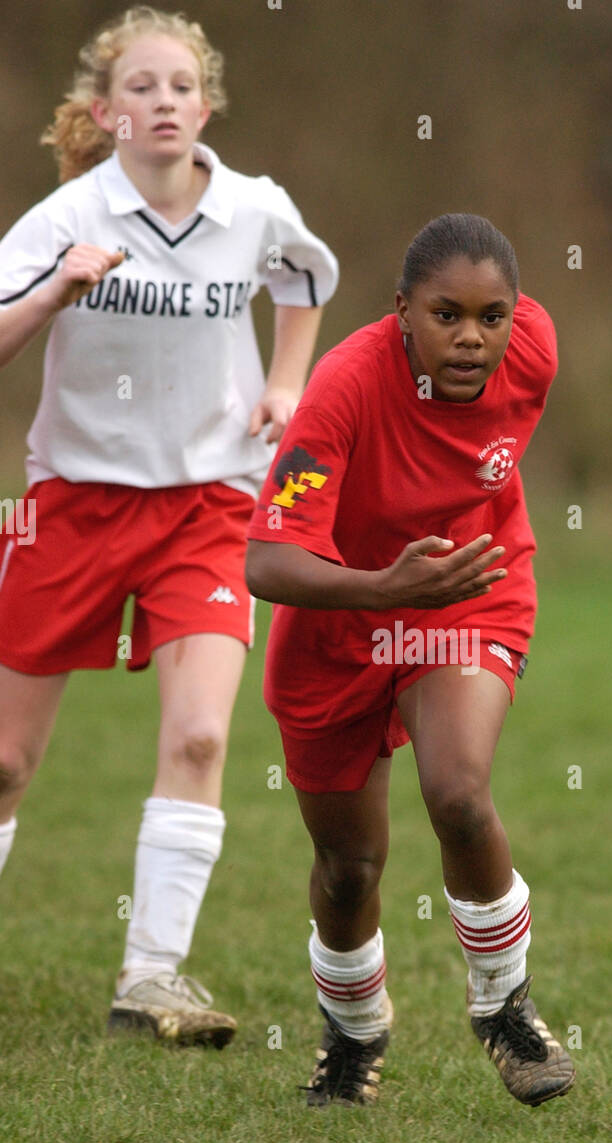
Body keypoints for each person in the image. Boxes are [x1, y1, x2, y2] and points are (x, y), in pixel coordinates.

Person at [0, 6, 338, 1048]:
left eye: (181, 87)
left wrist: (287, 382)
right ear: (106, 114)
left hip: (209, 505)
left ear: (206, 105)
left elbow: (307, 276)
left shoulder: (251, 207)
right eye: (141, 88)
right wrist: (57, 289)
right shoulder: (68, 215)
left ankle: (152, 977)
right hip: (74, 502)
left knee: (199, 735)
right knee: (7, 763)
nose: (164, 104)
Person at [245, 213, 575, 1107]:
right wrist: (383, 590)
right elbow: (266, 562)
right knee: (348, 869)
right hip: (342, 617)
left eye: (491, 316)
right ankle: (354, 1035)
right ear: (401, 310)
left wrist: (426, 590)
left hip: (469, 590)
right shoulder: (344, 388)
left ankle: (504, 1006)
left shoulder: (533, 349)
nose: (472, 338)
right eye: (445, 315)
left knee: (459, 792)